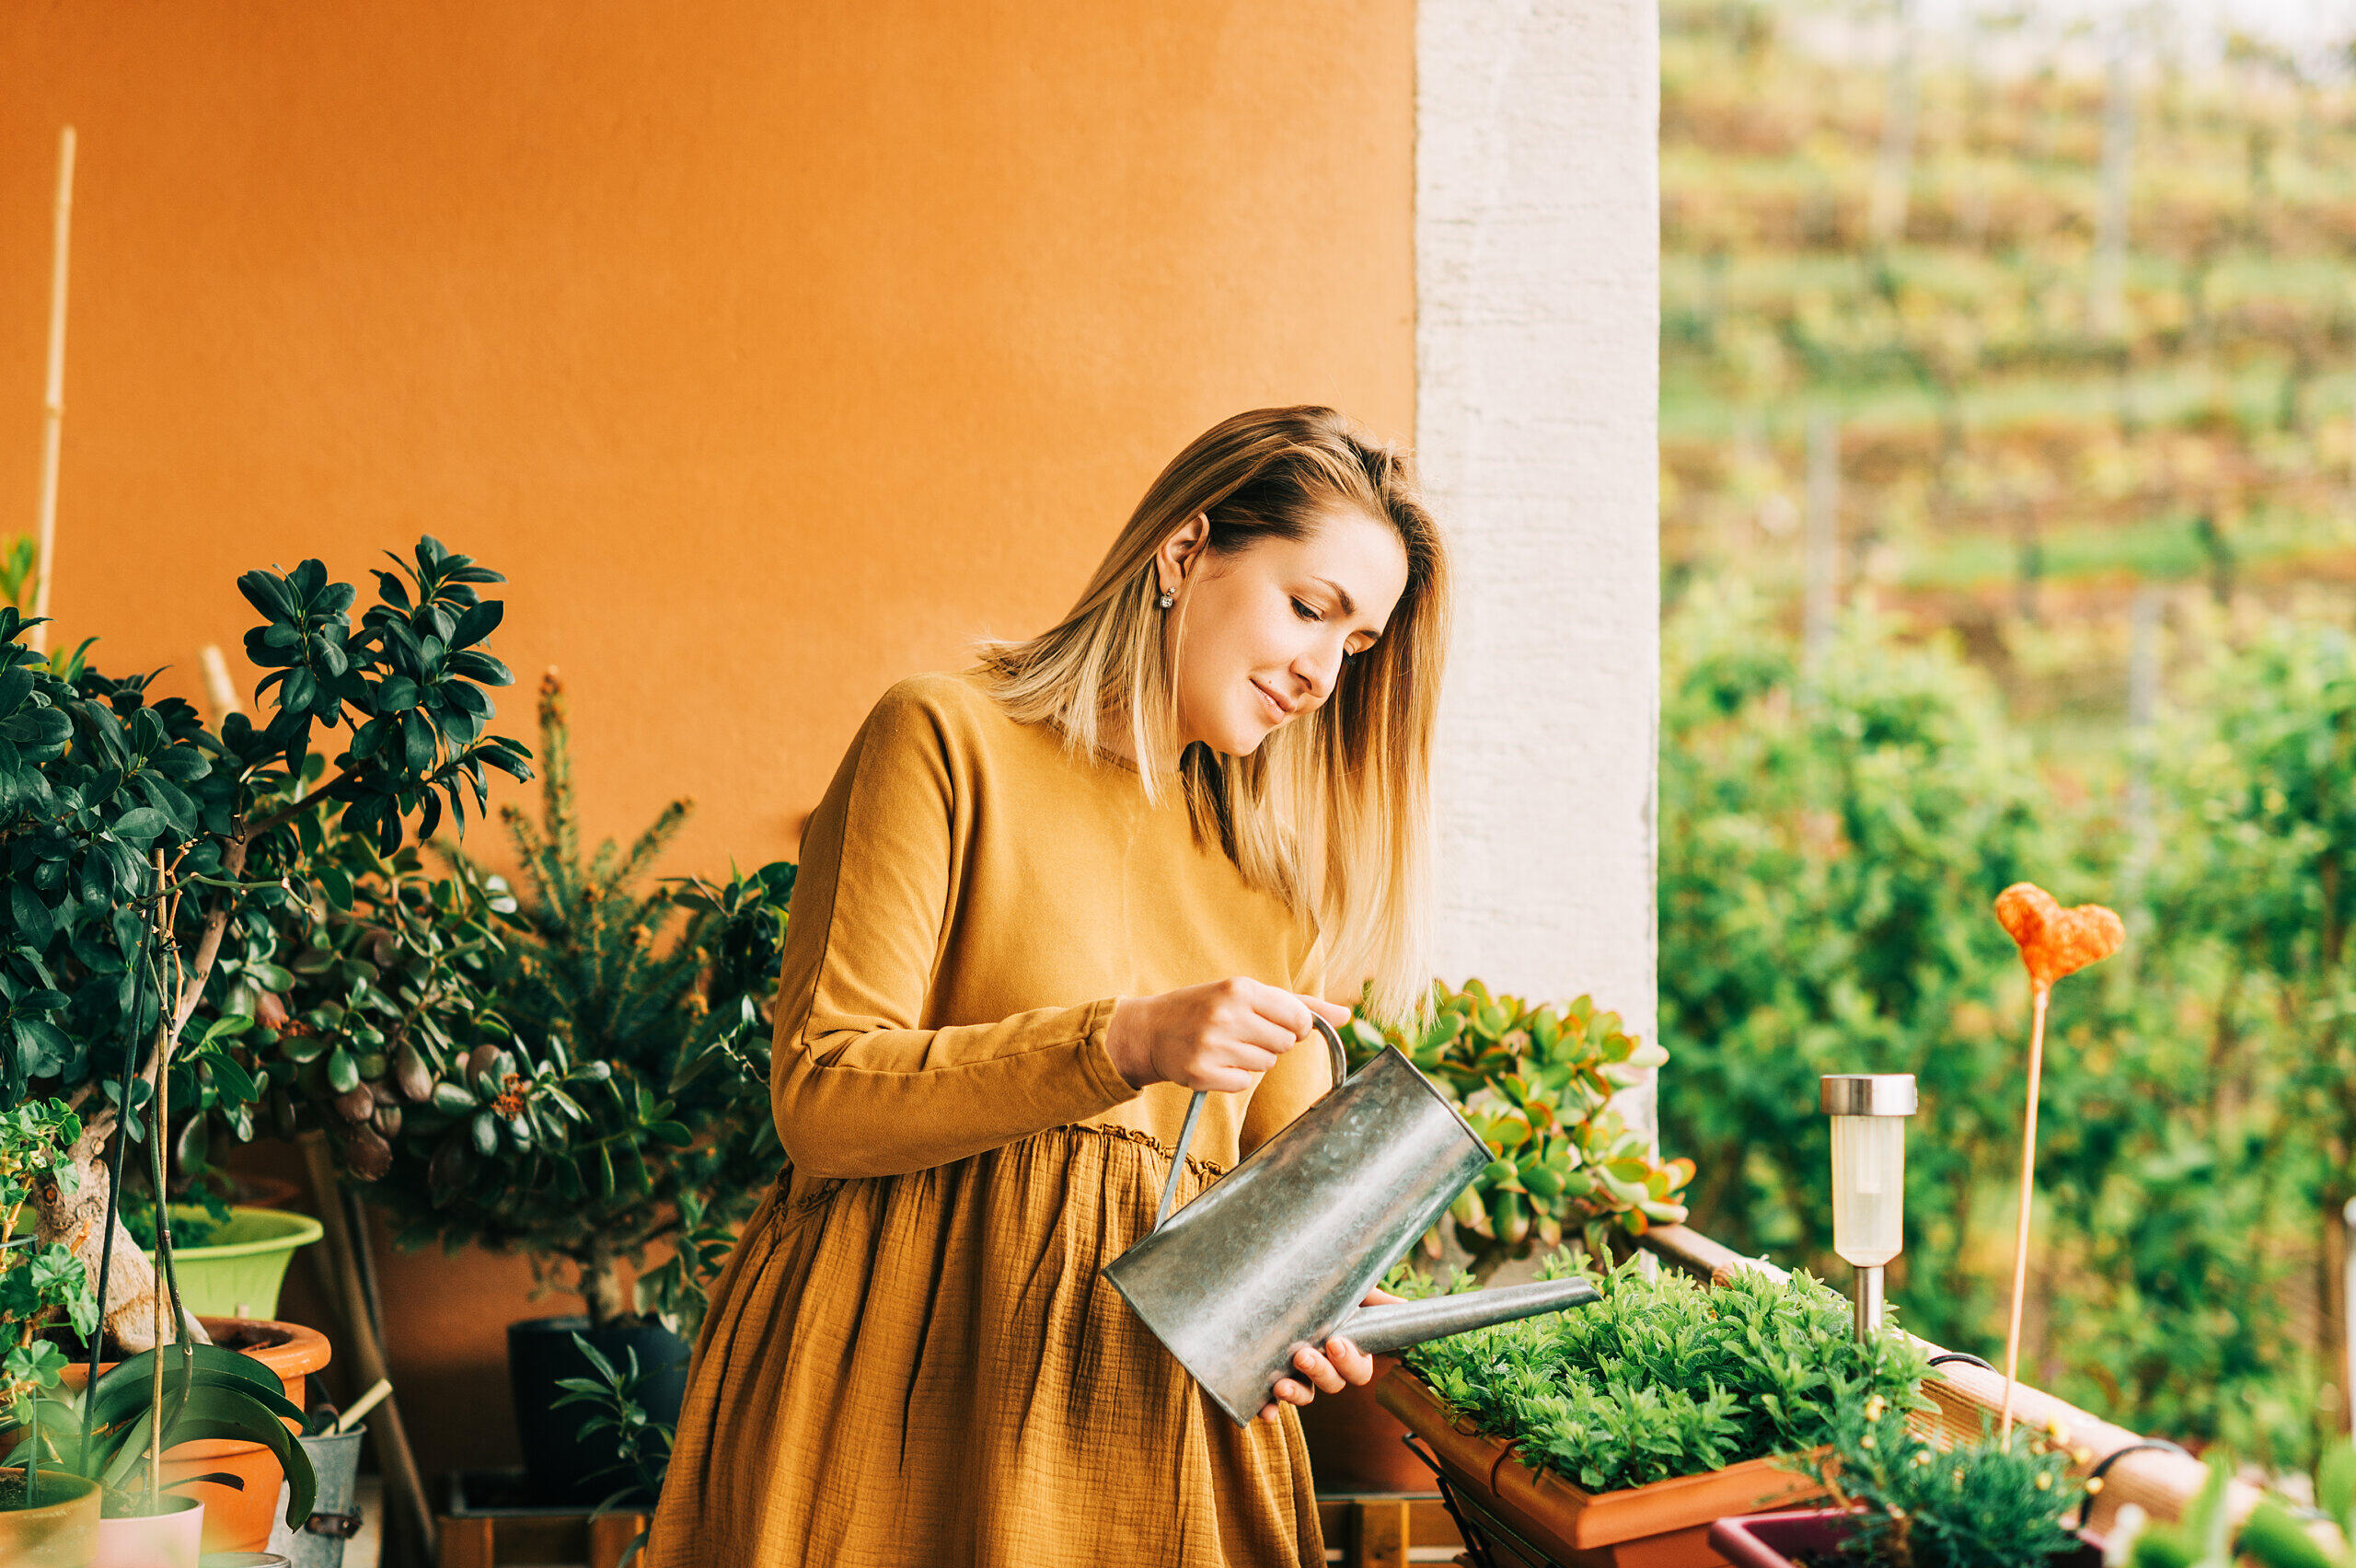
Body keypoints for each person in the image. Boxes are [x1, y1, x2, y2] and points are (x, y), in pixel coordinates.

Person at [644, 406, 1451, 1566]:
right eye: (1309, 606)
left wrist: (1313, 1315)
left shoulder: (1273, 893)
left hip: (1144, 1441)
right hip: (888, 1411)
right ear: (1184, 554)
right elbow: (819, 1100)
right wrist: (1123, 1042)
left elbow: (1276, 1234)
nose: (1324, 672)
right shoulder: (944, 739)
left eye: (1358, 644)